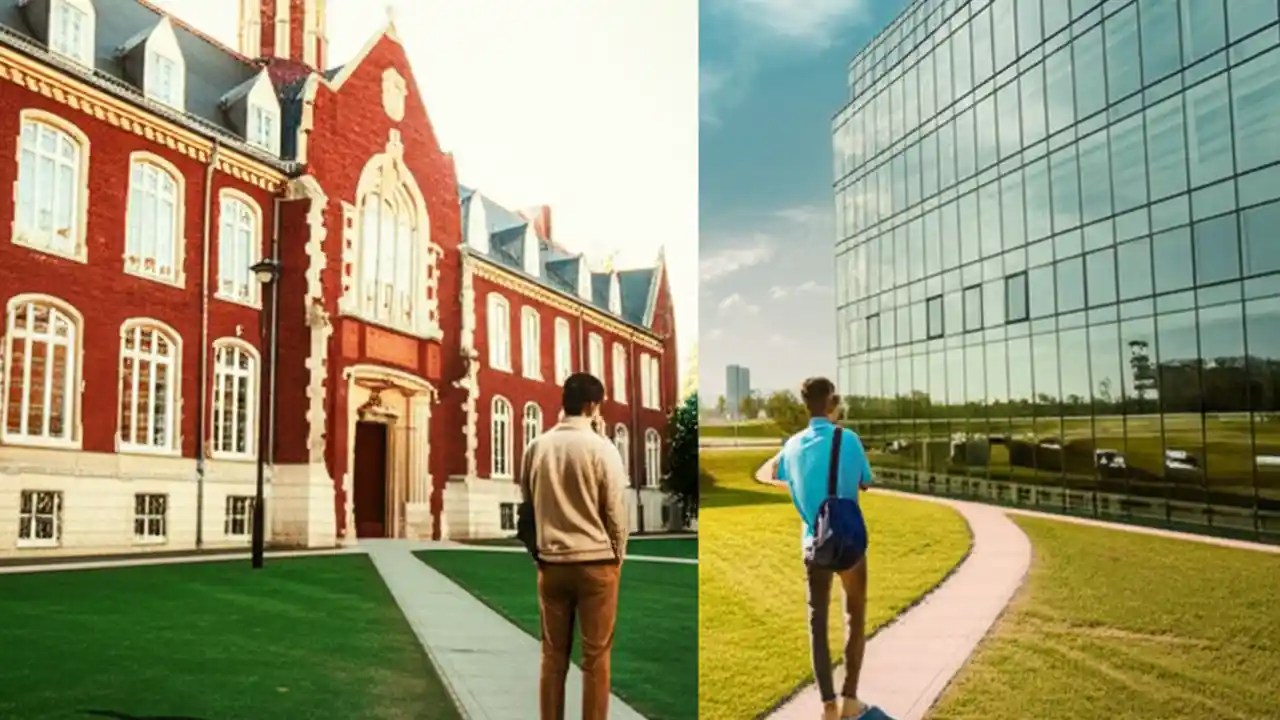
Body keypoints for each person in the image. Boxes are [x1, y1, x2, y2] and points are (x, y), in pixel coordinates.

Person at [519, 372, 629, 720]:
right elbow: (616, 512)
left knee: (552, 658)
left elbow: (528, 506)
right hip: (596, 563)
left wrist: (541, 553)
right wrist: (617, 558)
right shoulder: (602, 448)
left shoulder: (536, 447)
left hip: (552, 564)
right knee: (596, 660)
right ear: (593, 405)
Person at [769, 377, 875, 720]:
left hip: (813, 544)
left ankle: (827, 706)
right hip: (849, 543)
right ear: (832, 402)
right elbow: (866, 481)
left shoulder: (793, 446)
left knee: (817, 622)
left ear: (806, 405)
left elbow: (773, 472)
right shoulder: (849, 439)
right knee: (854, 617)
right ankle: (850, 700)